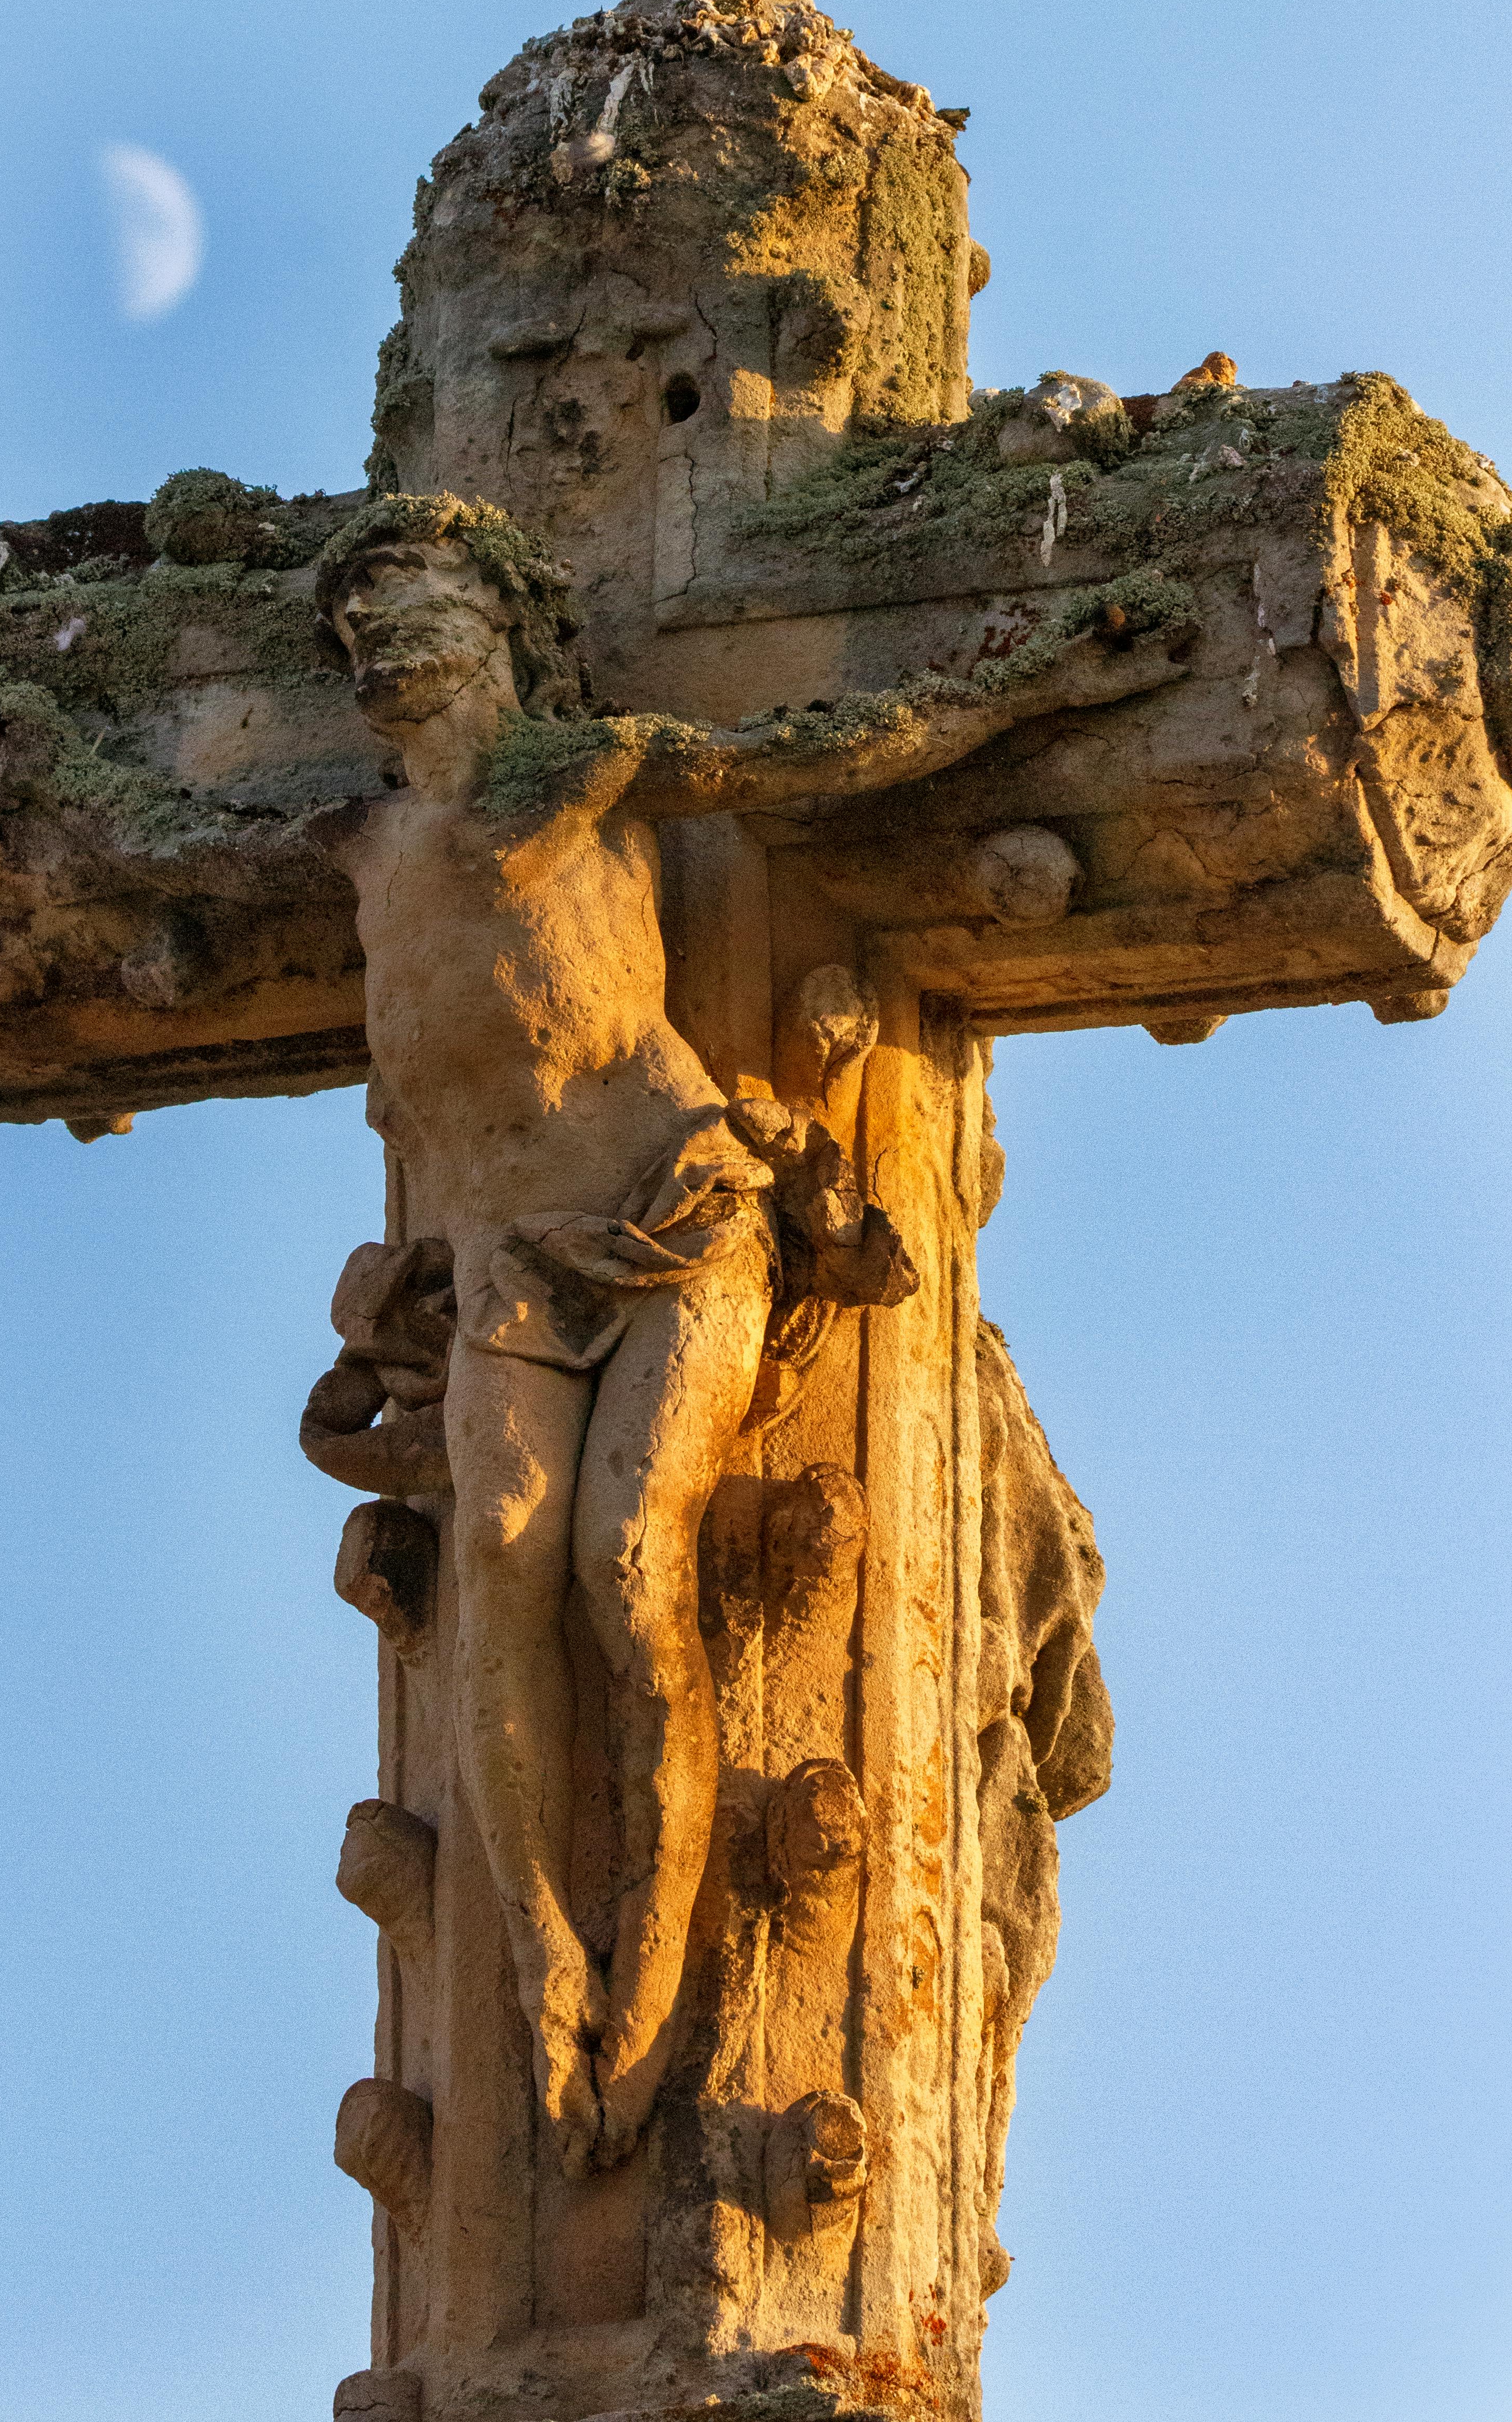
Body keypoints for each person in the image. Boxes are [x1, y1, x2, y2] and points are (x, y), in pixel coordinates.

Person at [312, 493, 1191, 2176]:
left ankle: (648, 1976)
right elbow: (121, 813)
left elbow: (821, 751)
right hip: (507, 1265)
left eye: (419, 598)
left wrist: (1039, 676)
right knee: (499, 1549)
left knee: (624, 1558)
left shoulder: (586, 774)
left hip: (680, 1210)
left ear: (503, 629)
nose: (387, 639)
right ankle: (547, 1956)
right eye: (359, 621)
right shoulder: (358, 841)